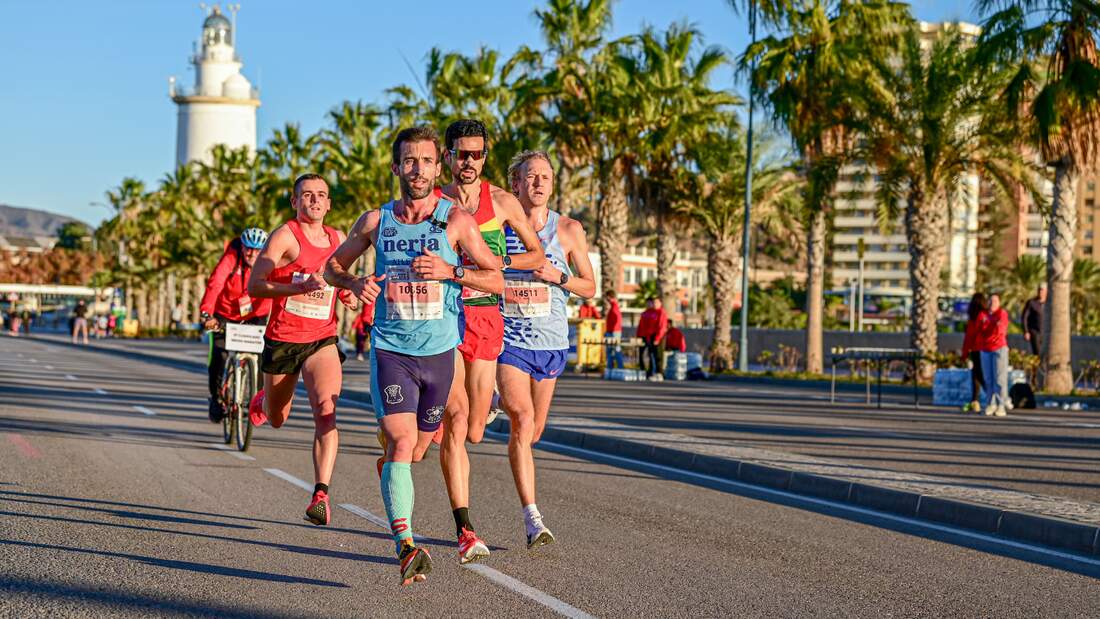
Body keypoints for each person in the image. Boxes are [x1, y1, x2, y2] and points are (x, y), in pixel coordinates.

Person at [325, 125, 503, 584]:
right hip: (391, 350)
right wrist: (352, 282)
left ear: (437, 166)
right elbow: (332, 267)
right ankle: (405, 545)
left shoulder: (456, 221)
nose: (418, 169)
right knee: (403, 443)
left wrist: (452, 270)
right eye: (409, 161)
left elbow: (497, 278)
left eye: (426, 161)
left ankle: (392, 471)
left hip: (440, 354)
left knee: (420, 448)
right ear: (396, 167)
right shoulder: (374, 221)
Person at [434, 119, 545, 563]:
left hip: (485, 319)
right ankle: (465, 529)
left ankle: (477, 408)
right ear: (447, 157)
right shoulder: (434, 203)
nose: (469, 162)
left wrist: (501, 259)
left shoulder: (500, 201)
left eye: (477, 154)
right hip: (444, 317)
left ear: (485, 156)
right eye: (461, 154)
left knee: (476, 430)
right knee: (457, 419)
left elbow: (536, 254)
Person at [247, 175, 358, 528]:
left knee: (327, 411)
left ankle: (321, 493)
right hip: (283, 339)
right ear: (295, 202)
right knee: (276, 418)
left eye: (321, 196)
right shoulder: (285, 236)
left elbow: (339, 281)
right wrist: (295, 288)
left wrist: (348, 294)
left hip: (322, 340)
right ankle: (265, 400)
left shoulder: (339, 240)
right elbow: (255, 285)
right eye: (307, 195)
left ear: (328, 205)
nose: (314, 201)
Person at [498, 150, 597, 550]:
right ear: (515, 184)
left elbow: (589, 286)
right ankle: (532, 518)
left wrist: (559, 276)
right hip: (509, 341)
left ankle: (491, 397)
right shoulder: (499, 225)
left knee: (534, 430)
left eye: (546, 177)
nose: (539, 182)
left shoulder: (569, 229)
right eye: (531, 176)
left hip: (552, 342)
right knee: (521, 420)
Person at [200, 228, 273, 422]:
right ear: (241, 247)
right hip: (225, 314)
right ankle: (216, 398)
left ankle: (257, 400)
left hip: (256, 315)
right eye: (248, 249)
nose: (252, 254)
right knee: (219, 355)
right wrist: (207, 313)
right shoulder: (231, 258)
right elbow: (215, 283)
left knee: (261, 357)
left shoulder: (269, 261)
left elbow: (279, 286)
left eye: (257, 251)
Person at [978, 293, 1010, 417]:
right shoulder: (983, 314)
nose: (992, 304)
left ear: (999, 303)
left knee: (999, 378)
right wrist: (990, 327)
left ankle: (1001, 404)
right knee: (988, 378)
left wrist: (990, 327)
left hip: (999, 348)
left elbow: (1000, 330)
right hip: (985, 349)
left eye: (995, 301)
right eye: (990, 301)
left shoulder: (1002, 313)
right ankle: (990, 403)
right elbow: (980, 329)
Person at [960, 292, 986, 413]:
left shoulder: (974, 318)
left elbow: (969, 338)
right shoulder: (984, 315)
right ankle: (975, 400)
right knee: (978, 375)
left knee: (978, 375)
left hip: (976, 350)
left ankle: (981, 398)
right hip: (984, 349)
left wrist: (964, 353)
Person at [636, 297, 669, 380]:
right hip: (649, 337)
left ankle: (659, 373)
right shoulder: (648, 313)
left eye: (656, 302)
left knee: (658, 356)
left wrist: (657, 338)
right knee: (651, 355)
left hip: (658, 336)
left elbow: (661, 327)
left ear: (660, 303)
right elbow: (644, 327)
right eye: (653, 302)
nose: (654, 304)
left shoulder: (661, 312)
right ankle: (650, 373)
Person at [1020, 285, 1045, 356]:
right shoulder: (1031, 303)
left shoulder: (1049, 302)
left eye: (1043, 290)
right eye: (1039, 290)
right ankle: (1038, 366)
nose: (1041, 292)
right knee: (1037, 352)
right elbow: (1024, 317)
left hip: (1046, 333)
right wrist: (1026, 331)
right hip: (1035, 332)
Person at [603, 289, 624, 370]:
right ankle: (610, 369)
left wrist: (612, 331)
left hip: (614, 332)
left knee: (616, 351)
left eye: (607, 298)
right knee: (611, 352)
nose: (607, 300)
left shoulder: (614, 306)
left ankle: (620, 368)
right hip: (612, 331)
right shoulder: (613, 306)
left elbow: (617, 319)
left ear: (609, 297)